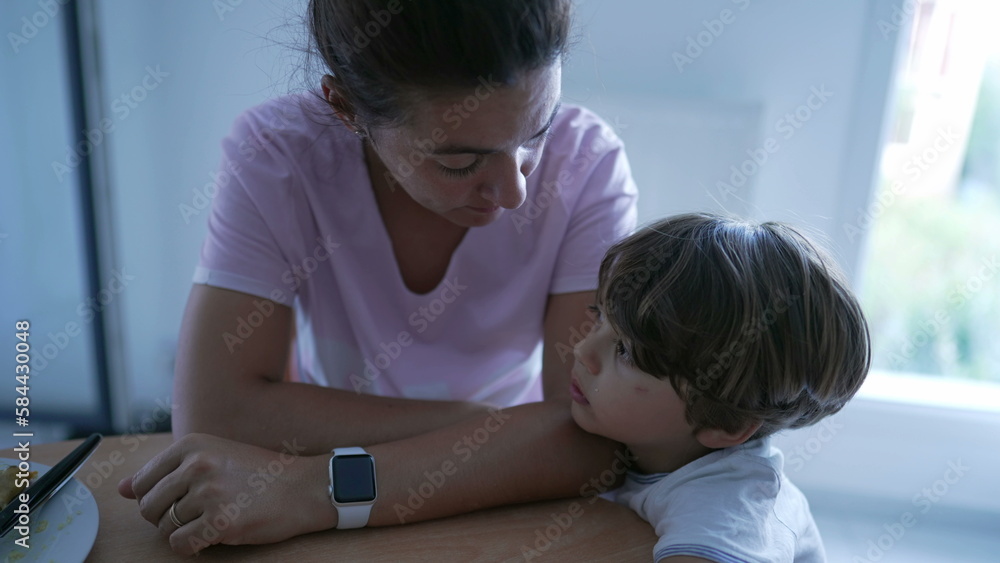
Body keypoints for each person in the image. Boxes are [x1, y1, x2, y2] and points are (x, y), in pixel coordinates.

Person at [117, 0, 640, 556]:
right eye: (460, 163)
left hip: (496, 512)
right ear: (346, 109)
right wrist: (489, 430)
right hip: (498, 473)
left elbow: (595, 437)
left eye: (538, 131)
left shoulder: (588, 164)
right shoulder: (280, 154)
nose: (515, 193)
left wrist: (316, 489)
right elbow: (213, 412)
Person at [568, 213, 871, 562]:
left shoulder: (728, 507)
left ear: (725, 425)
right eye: (599, 318)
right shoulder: (657, 442)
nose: (582, 351)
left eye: (625, 351)